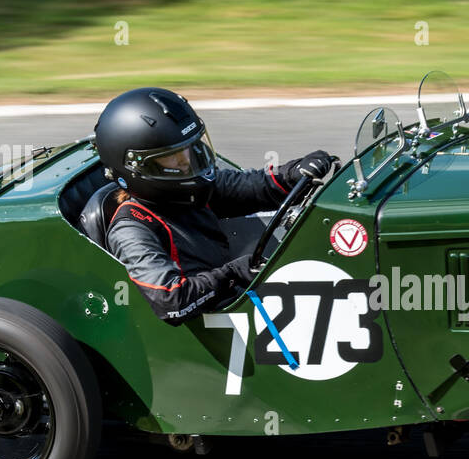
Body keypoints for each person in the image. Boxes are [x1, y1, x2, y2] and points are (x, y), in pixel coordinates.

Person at [93, 87, 333, 324]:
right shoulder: (131, 230)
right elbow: (171, 302)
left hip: (238, 300)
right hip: (213, 320)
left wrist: (295, 172)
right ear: (137, 168)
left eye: (190, 150)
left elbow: (254, 186)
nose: (187, 162)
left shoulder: (193, 190)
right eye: (172, 157)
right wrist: (231, 275)